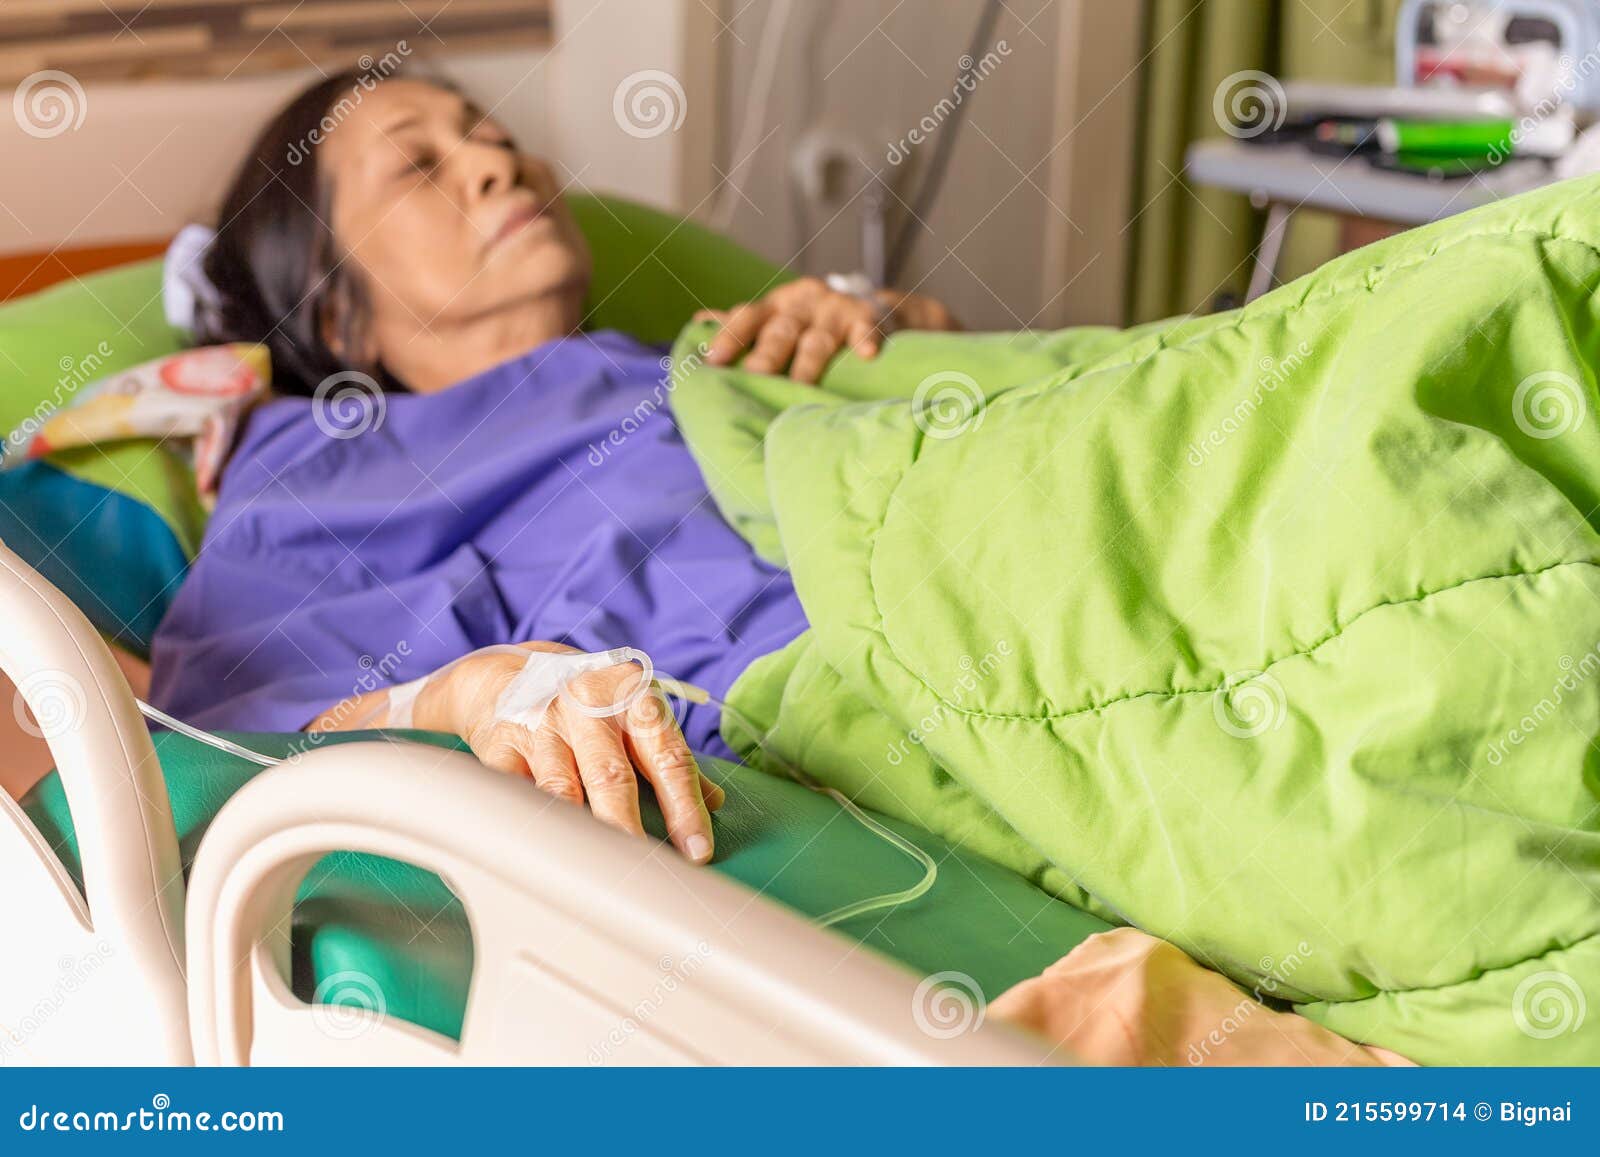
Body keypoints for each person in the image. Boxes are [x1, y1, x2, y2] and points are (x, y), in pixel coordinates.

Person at [150, 70, 959, 865]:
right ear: (336, 311)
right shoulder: (324, 465)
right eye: (418, 165)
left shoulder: (701, 358)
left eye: (495, 136)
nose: (497, 163)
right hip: (856, 694)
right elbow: (230, 743)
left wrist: (893, 333)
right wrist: (452, 694)